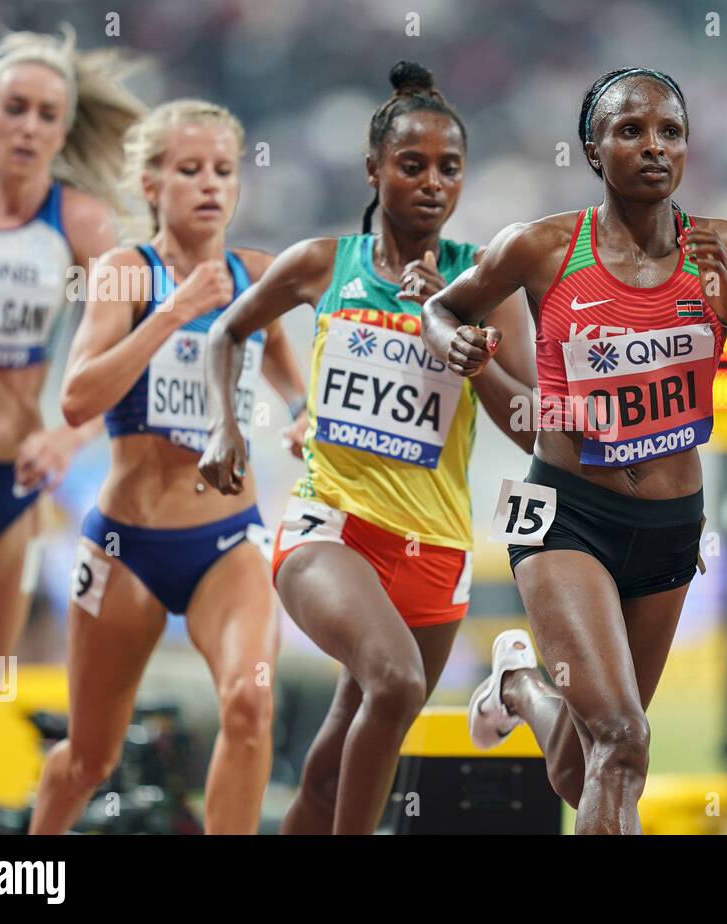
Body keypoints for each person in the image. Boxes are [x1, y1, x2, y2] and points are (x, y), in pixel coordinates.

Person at [422, 67, 727, 834]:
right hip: (566, 516)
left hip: (671, 530)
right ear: (592, 150)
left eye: (669, 131)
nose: (653, 147)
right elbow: (444, 309)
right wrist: (460, 344)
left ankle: (518, 691)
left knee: (586, 770)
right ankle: (529, 693)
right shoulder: (540, 249)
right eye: (630, 131)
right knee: (624, 738)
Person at [199, 61, 535, 835]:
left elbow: (530, 425)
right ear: (374, 168)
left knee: (326, 774)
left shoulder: (485, 283)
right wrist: (230, 423)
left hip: (438, 551)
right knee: (392, 682)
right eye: (411, 165)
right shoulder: (325, 264)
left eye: (449, 168)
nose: (432, 184)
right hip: (332, 531)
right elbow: (228, 331)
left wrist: (459, 341)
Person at [29, 99, 306, 835]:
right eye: (190, 170)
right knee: (90, 757)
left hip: (229, 540)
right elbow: (77, 397)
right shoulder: (125, 272)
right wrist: (171, 314)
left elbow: (283, 362)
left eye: (223, 170)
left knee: (249, 706)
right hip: (128, 545)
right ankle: (26, 864)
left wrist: (303, 411)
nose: (211, 184)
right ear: (152, 186)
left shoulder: (255, 273)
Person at [0, 26, 144, 835]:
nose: (30, 128)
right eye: (15, 108)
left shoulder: (79, 227)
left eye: (49, 115)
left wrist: (69, 436)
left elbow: (126, 359)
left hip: (10, 494)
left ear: (62, 128)